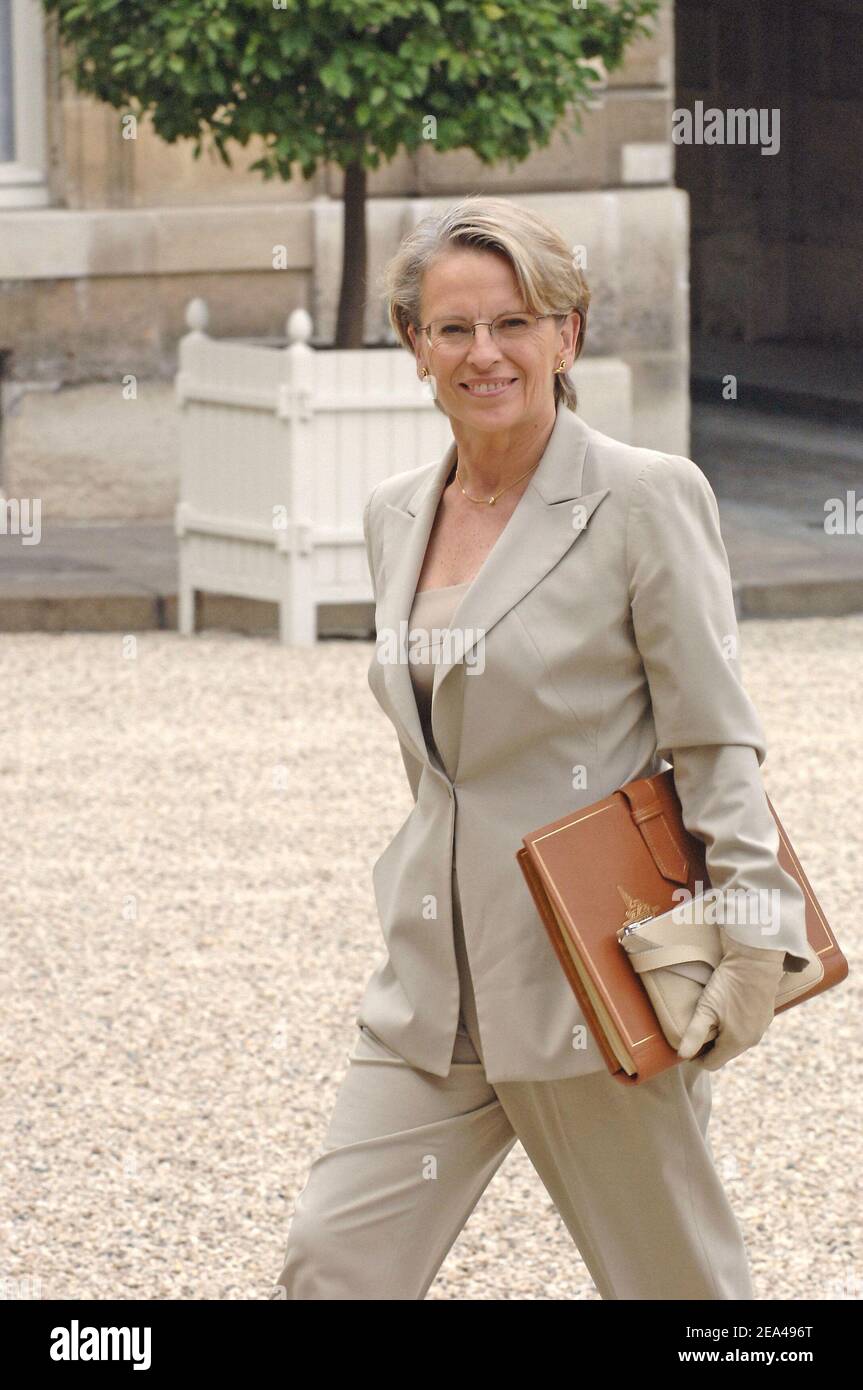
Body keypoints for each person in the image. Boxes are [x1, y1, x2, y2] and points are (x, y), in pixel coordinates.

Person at [271, 196, 810, 1301]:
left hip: (597, 977)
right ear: (413, 346)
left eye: (515, 323)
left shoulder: (644, 498)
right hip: (431, 991)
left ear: (567, 335)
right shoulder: (392, 513)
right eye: (453, 328)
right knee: (334, 1266)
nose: (485, 353)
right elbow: (440, 757)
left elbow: (712, 737)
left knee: (678, 1293)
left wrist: (754, 934)